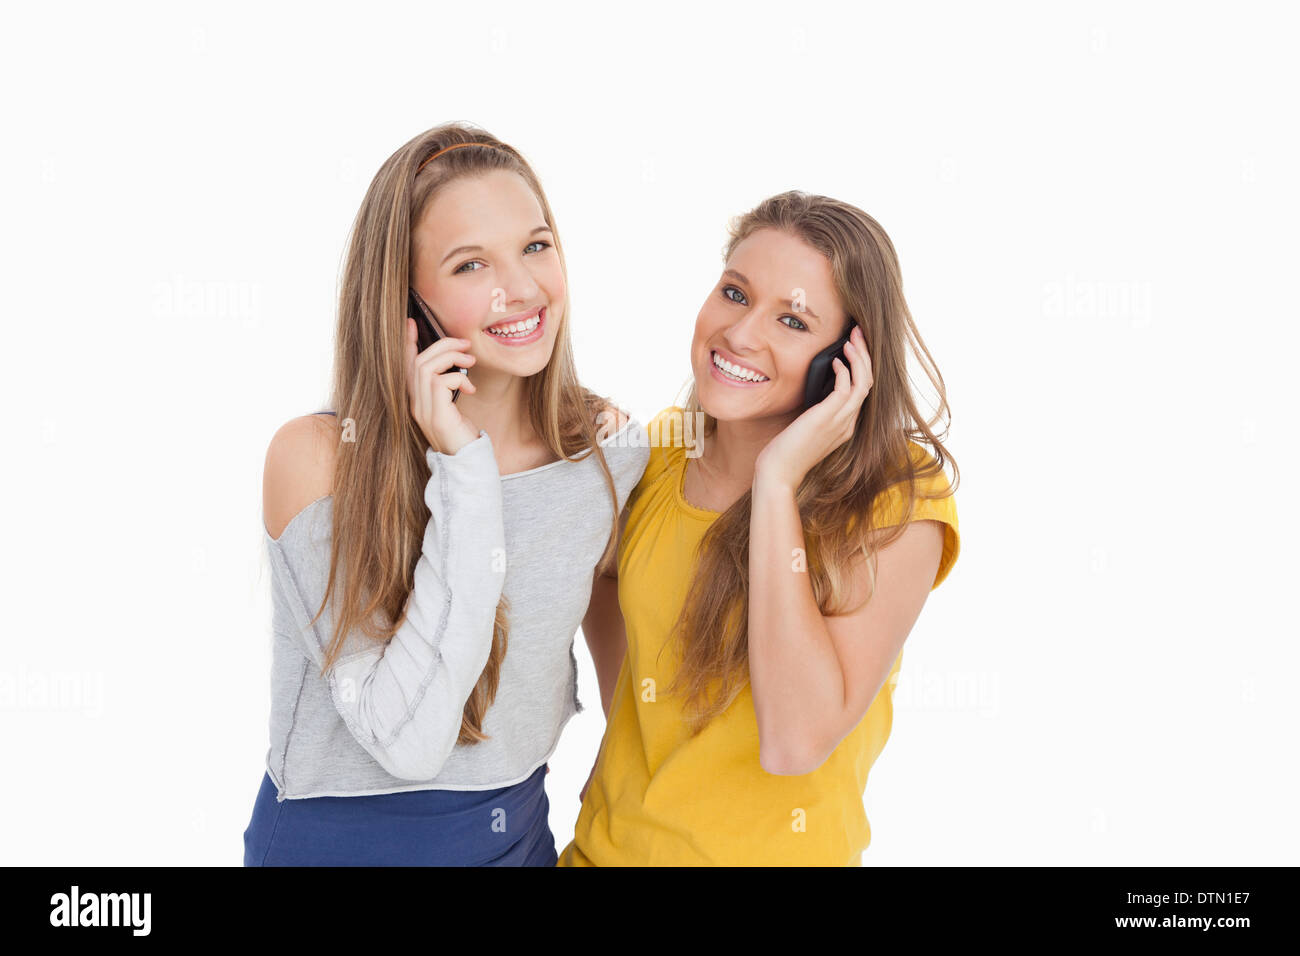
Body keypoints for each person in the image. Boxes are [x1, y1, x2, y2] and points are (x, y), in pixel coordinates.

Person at [242, 122, 649, 866]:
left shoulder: (604, 450)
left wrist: (625, 781)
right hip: (337, 843)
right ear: (405, 304)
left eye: (535, 245)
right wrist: (464, 467)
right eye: (470, 265)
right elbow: (408, 737)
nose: (521, 288)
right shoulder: (317, 460)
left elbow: (619, 616)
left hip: (514, 830)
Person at [560, 191, 961, 866]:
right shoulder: (655, 454)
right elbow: (615, 620)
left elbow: (795, 742)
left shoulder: (897, 497)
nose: (741, 335)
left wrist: (777, 483)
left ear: (848, 358)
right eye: (736, 293)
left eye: (794, 320)